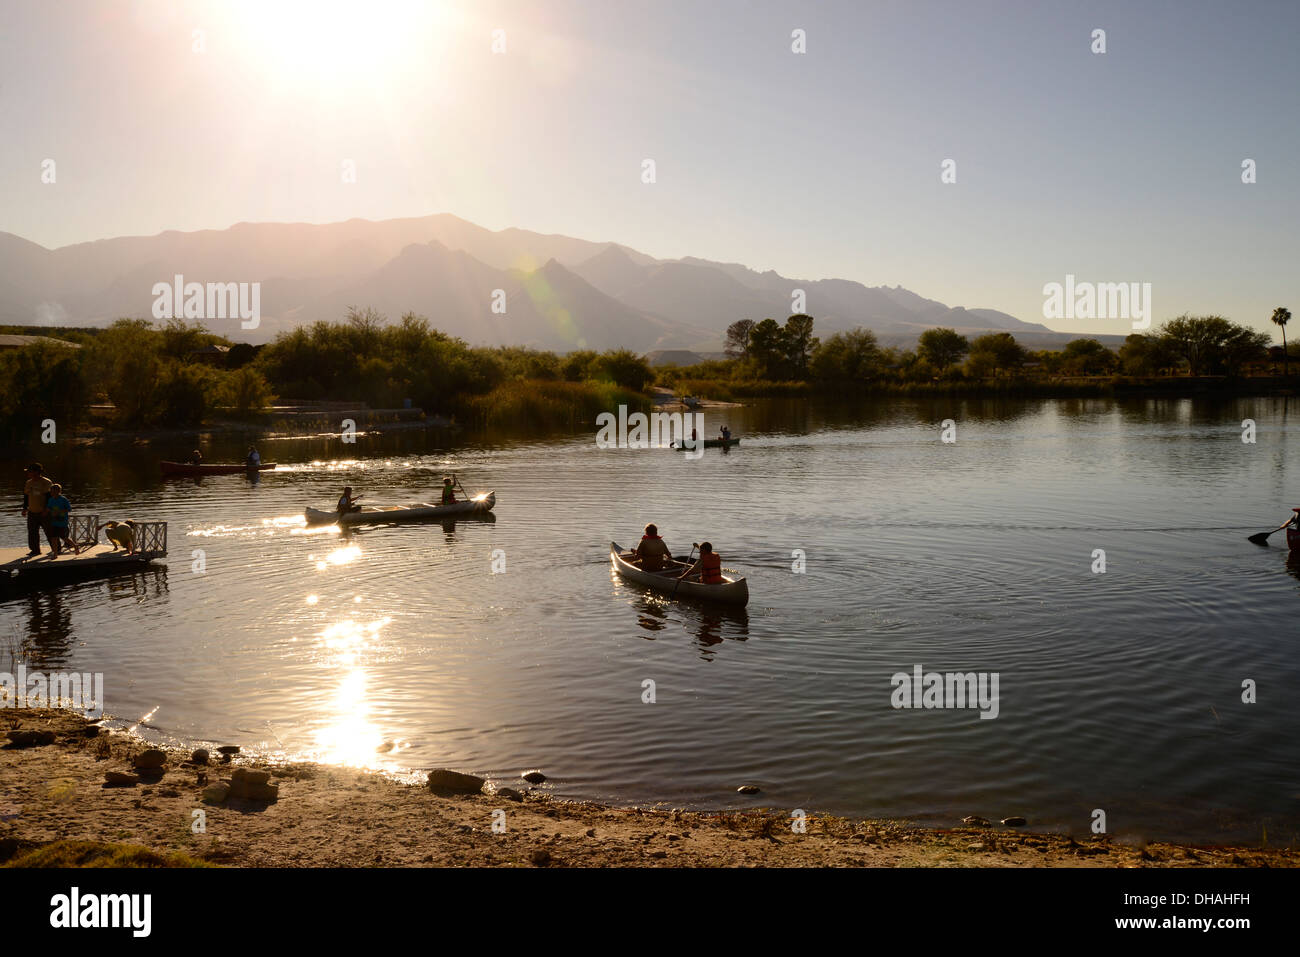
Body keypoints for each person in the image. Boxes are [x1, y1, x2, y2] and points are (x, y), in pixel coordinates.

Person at [20, 463, 56, 557]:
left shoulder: (46, 482)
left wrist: (46, 509)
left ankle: (56, 549)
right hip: (32, 511)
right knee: (32, 532)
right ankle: (35, 550)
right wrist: (24, 508)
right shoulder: (29, 482)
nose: (28, 473)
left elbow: (49, 497)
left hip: (45, 512)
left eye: (30, 471)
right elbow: (26, 496)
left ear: (36, 472)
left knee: (49, 531)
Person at [46, 483, 79, 556]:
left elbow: (69, 509)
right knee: (53, 538)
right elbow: (49, 508)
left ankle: (75, 546)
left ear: (58, 491)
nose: (52, 493)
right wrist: (46, 512)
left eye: (53, 491)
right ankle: (55, 553)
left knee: (64, 538)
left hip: (62, 522)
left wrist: (59, 512)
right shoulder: (51, 500)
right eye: (51, 491)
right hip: (54, 522)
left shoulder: (63, 499)